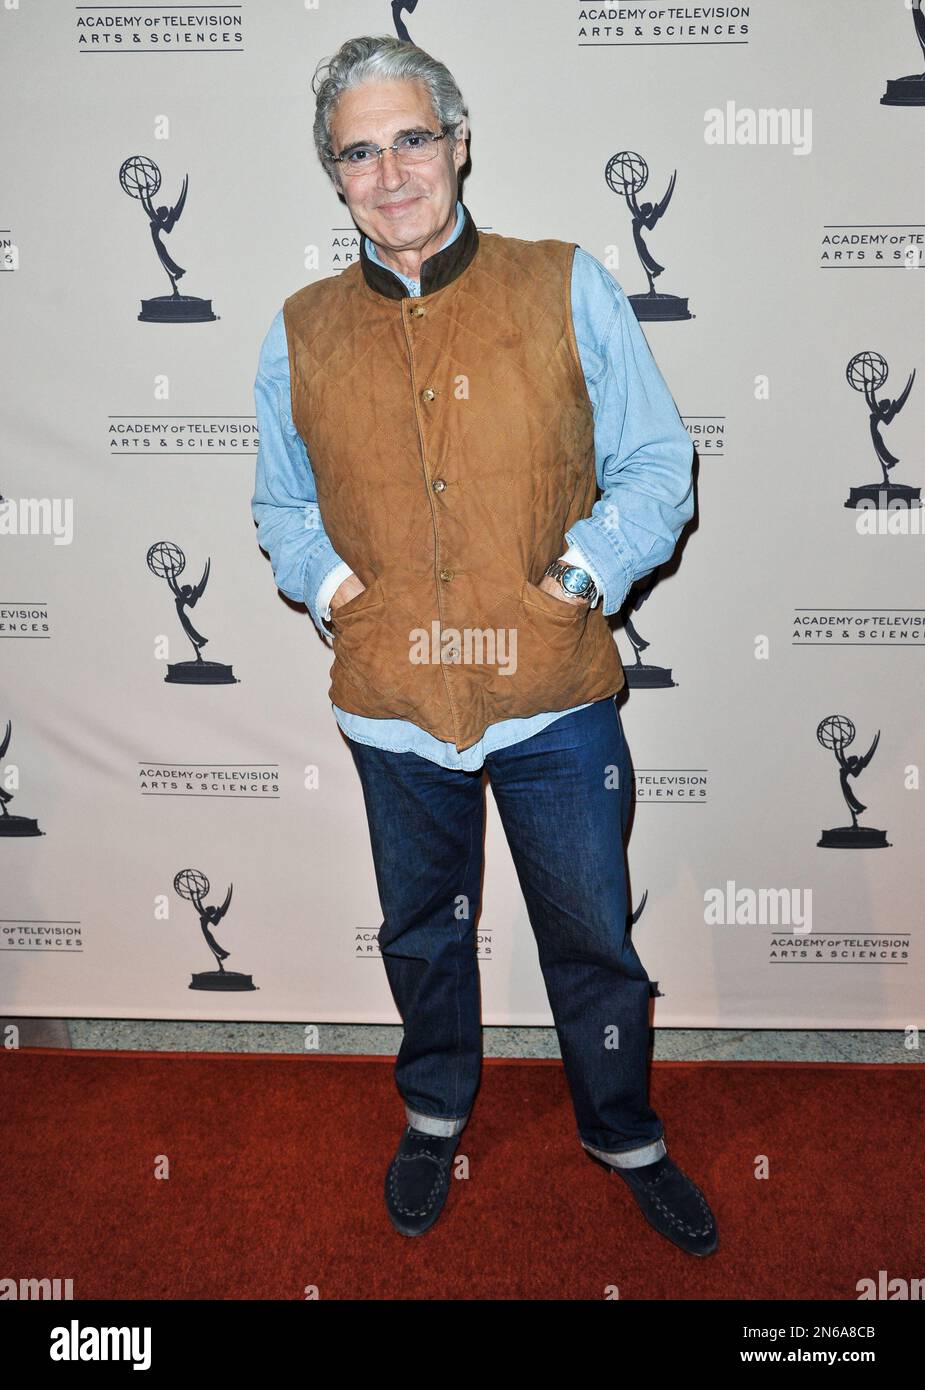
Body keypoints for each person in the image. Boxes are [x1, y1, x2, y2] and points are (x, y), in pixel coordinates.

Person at [251, 33, 717, 1257]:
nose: (390, 169)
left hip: (555, 696)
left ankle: (622, 1129)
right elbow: (280, 508)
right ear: (333, 175)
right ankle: (434, 1108)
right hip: (391, 704)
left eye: (412, 137)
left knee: (590, 935)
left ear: (458, 143)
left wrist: (577, 578)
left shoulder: (564, 281)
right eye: (359, 151)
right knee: (421, 931)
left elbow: (658, 461)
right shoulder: (296, 330)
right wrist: (337, 590)